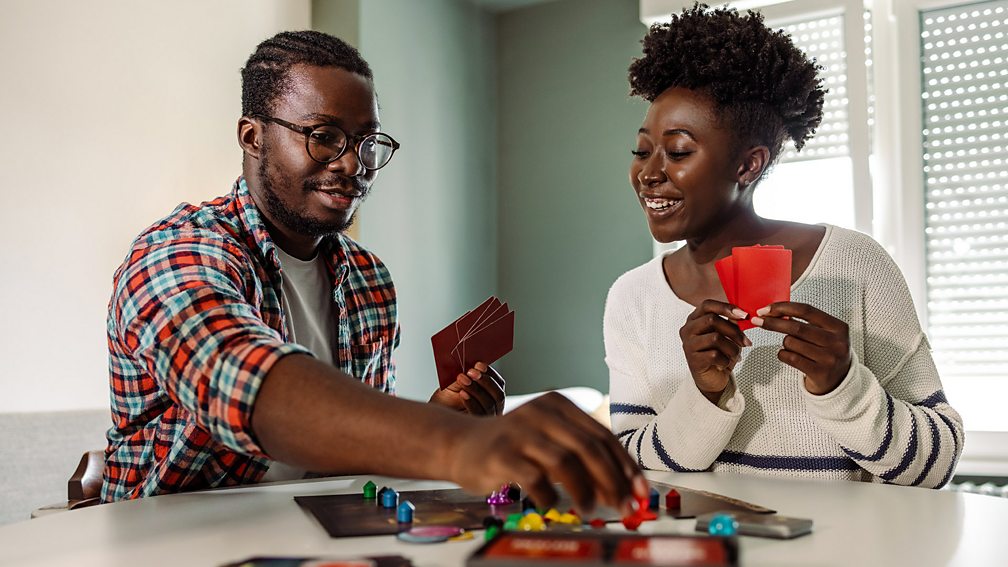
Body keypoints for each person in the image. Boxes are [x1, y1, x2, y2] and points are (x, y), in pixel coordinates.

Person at [104, 30, 647, 512]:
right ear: (252, 137)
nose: (352, 164)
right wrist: (454, 442)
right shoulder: (175, 254)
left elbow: (335, 464)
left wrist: (442, 416)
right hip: (173, 538)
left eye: (368, 141)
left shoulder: (368, 279)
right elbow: (241, 378)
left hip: (315, 528)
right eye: (323, 135)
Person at [605, 5, 963, 487]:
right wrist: (705, 394)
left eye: (679, 151)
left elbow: (937, 465)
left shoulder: (854, 266)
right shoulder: (634, 297)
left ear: (748, 165)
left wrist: (843, 386)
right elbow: (631, 464)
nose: (649, 173)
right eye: (642, 150)